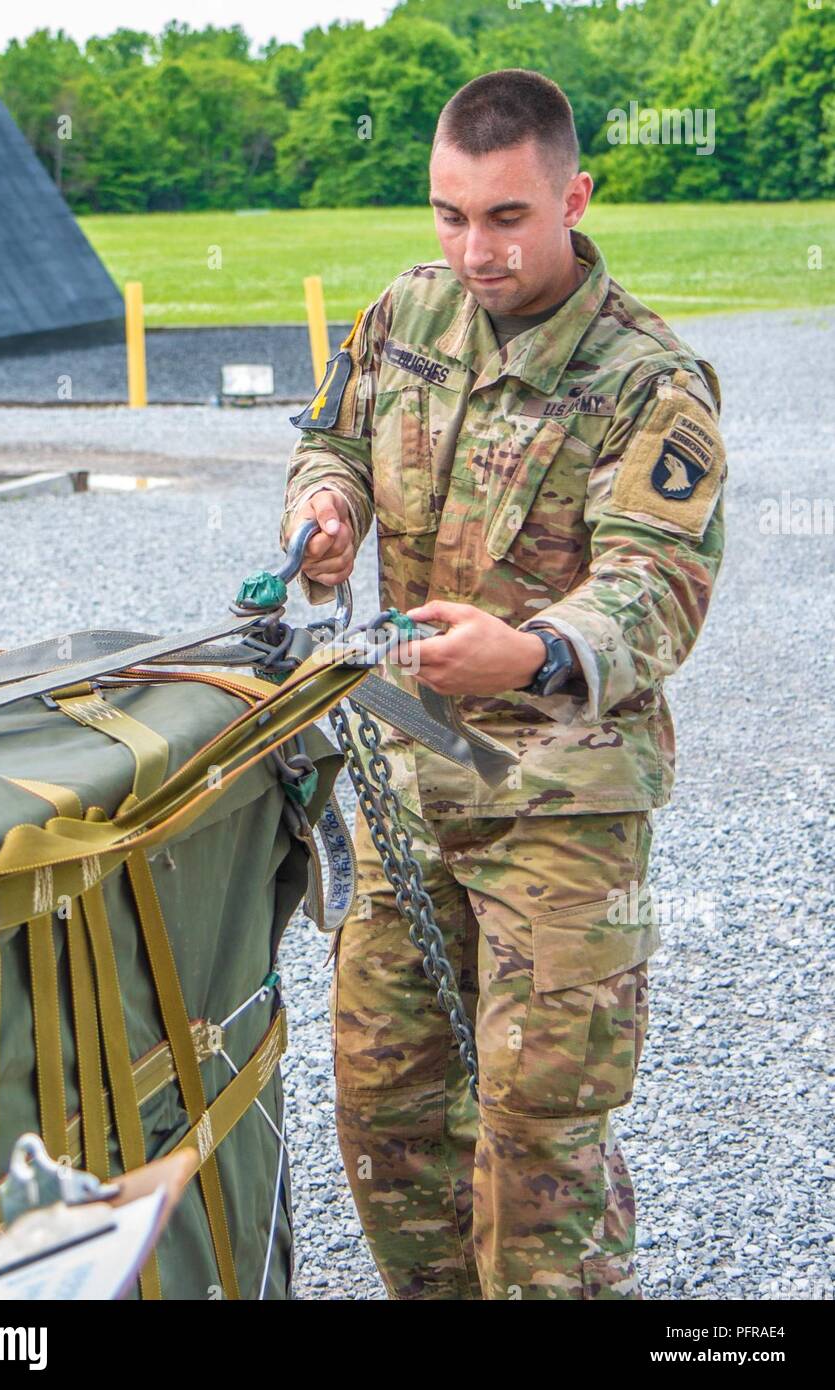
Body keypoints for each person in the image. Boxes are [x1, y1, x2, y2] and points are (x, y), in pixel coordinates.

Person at [280, 69, 726, 1301]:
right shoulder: (404, 315)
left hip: (563, 812)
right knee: (389, 1120)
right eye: (449, 214)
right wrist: (324, 511)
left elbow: (658, 585)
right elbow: (332, 440)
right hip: (413, 780)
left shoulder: (652, 382)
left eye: (508, 218)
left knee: (539, 1151)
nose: (474, 250)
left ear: (574, 197)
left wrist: (529, 652)